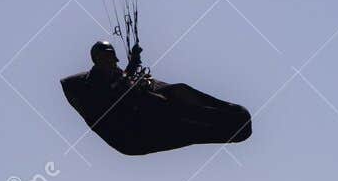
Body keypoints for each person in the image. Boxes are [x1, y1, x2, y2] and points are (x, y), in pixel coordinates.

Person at [61, 40, 252, 157]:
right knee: (174, 116)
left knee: (177, 95)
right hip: (129, 135)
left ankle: (230, 118)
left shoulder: (115, 75)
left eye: (112, 58)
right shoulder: (93, 83)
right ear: (97, 60)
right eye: (107, 58)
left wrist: (134, 72)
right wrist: (132, 67)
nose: (112, 62)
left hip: (143, 118)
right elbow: (113, 96)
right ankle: (229, 124)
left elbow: (122, 86)